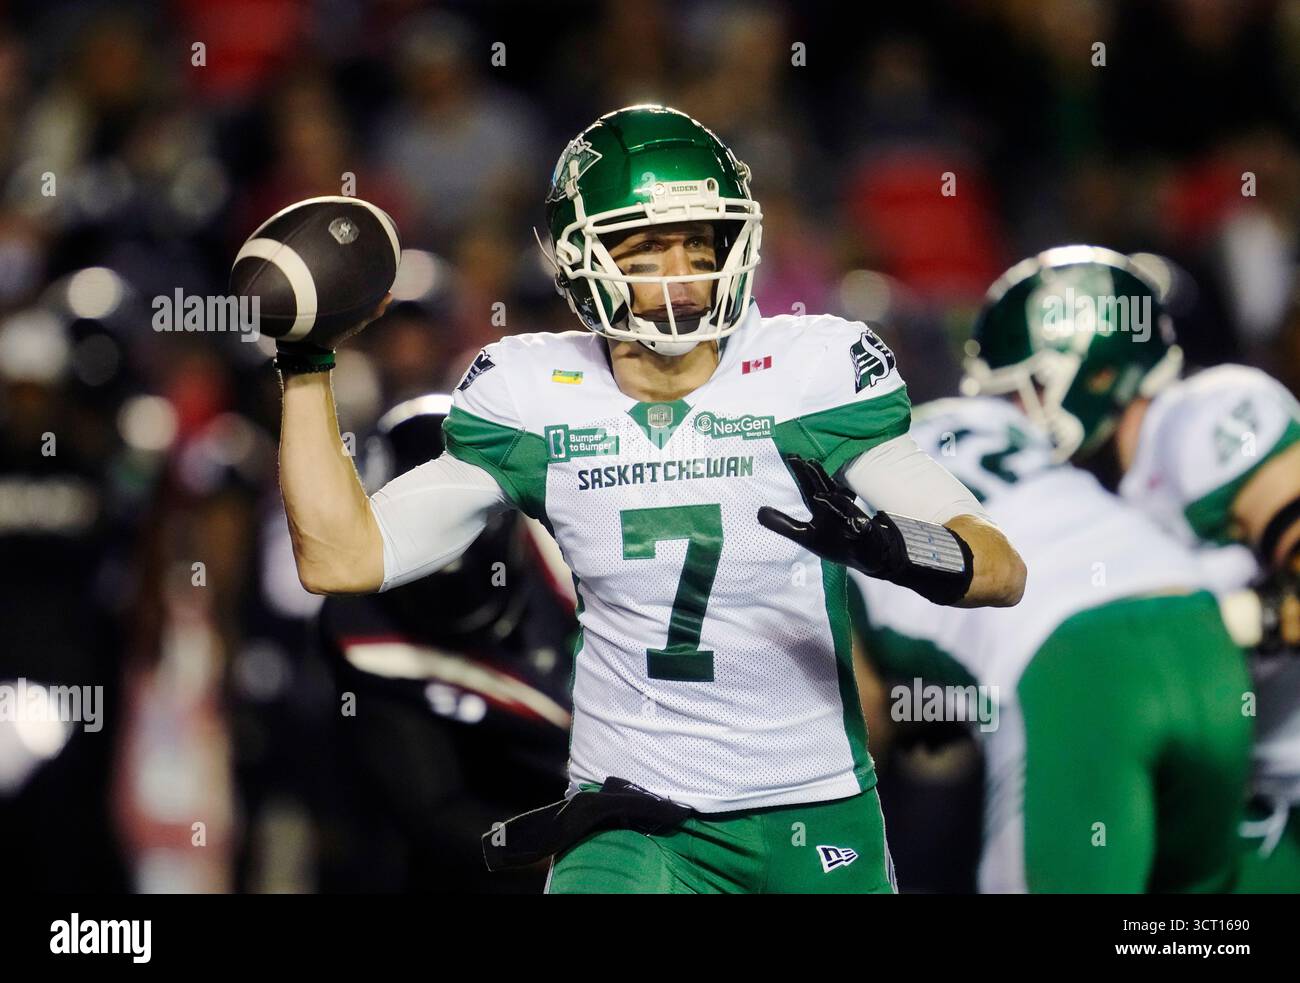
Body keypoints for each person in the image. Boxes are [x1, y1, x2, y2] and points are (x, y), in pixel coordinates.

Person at [275, 105, 1025, 893]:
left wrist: (898, 550)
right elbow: (342, 554)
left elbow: (1001, 568)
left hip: (816, 806)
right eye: (647, 246)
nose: (682, 271)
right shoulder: (533, 392)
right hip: (635, 818)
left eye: (698, 243)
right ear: (581, 259)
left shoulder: (813, 371)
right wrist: (305, 363)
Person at [963, 244, 1300, 891]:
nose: (1011, 417)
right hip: (1200, 806)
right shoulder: (1074, 504)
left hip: (1277, 813)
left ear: (1093, 371)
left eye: (1026, 389)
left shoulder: (1200, 421)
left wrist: (1224, 625)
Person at [850, 396, 1251, 892]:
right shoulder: (988, 417)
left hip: (1069, 668)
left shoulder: (824, 503)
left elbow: (857, 725)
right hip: (1200, 627)